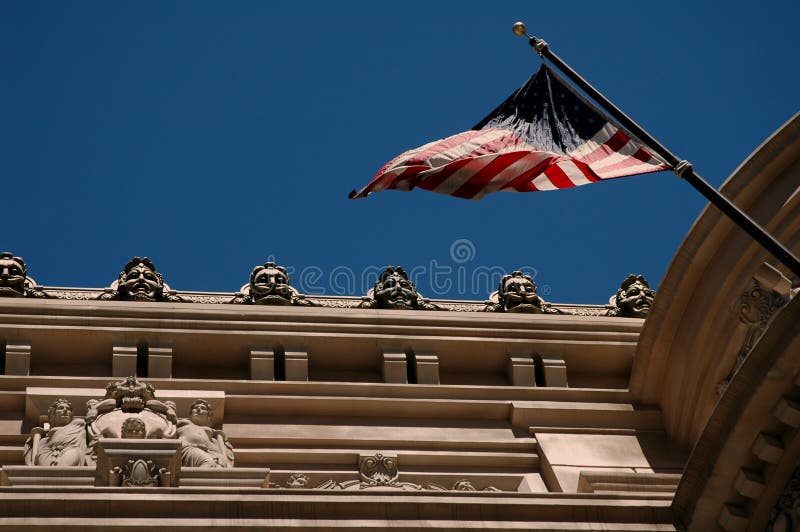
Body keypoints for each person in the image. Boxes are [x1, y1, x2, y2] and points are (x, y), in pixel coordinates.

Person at [24, 399, 91, 466]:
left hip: (71, 453)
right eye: (61, 408)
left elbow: (96, 423)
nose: (65, 410)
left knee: (74, 453)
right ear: (53, 415)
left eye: (68, 409)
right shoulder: (44, 440)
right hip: (47, 455)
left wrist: (94, 408)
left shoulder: (78, 425)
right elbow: (34, 457)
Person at [176, 399, 234, 468]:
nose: (198, 409)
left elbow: (221, 453)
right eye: (195, 408)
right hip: (188, 449)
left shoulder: (215, 436)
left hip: (206, 453)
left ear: (208, 415)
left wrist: (222, 457)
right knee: (209, 463)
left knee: (216, 467)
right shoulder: (182, 423)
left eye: (203, 408)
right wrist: (169, 408)